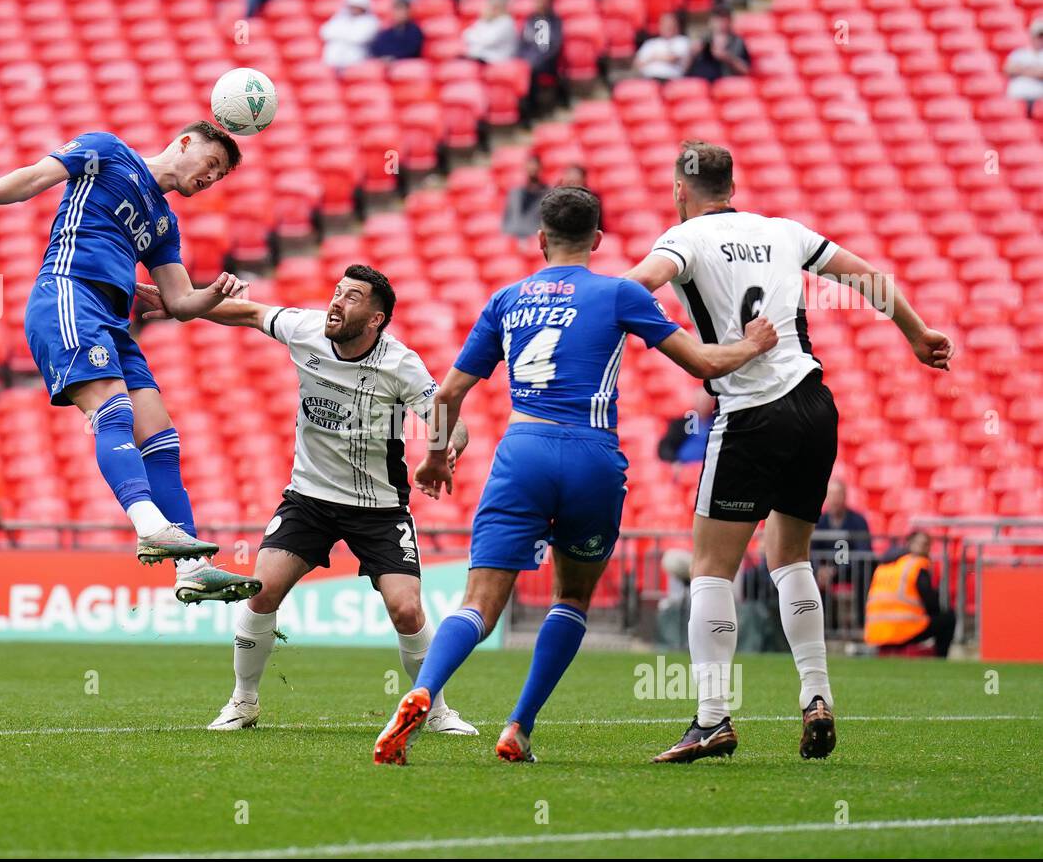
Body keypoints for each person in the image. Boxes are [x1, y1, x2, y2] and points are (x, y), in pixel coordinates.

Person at [372, 186, 778, 766]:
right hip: (592, 455)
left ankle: (421, 692)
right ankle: (519, 726)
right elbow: (705, 364)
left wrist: (436, 457)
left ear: (540, 241)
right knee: (571, 596)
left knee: (478, 606)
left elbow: (448, 394)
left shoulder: (506, 298)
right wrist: (752, 344)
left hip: (524, 450)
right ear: (598, 241)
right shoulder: (620, 293)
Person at [625, 140, 953, 763]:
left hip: (749, 412)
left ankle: (713, 717)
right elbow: (867, 278)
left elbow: (636, 287)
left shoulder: (684, 238)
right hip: (813, 406)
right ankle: (816, 697)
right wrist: (917, 332)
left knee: (711, 568)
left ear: (679, 190)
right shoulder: (783, 230)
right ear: (732, 184)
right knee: (789, 559)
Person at [139, 266, 478, 735]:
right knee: (262, 592)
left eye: (352, 298)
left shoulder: (400, 363)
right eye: (337, 292)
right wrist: (185, 304)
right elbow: (250, 312)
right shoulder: (306, 329)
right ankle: (243, 702)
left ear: (376, 319)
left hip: (378, 509)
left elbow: (447, 415)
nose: (337, 303)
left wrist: (444, 453)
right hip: (309, 498)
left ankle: (436, 708)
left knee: (406, 609)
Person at [0, 122, 262, 603]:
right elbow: (34, 178)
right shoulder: (106, 151)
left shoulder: (163, 223)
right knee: (114, 411)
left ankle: (193, 568)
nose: (210, 178)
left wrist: (212, 293)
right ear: (184, 142)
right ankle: (150, 525)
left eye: (219, 177)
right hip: (69, 293)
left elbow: (178, 302)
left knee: (160, 433)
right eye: (211, 164)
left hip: (114, 321)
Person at [864, 530, 954, 658]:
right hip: (903, 630)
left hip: (875, 632)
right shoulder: (917, 564)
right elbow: (930, 601)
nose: (926, 548)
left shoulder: (883, 566)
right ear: (910, 544)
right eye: (923, 544)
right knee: (948, 618)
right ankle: (940, 657)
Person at [811, 478, 872, 627]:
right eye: (830, 495)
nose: (834, 500)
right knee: (810, 578)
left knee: (864, 575)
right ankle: (823, 626)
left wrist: (837, 570)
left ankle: (861, 625)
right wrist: (820, 569)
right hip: (825, 572)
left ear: (845, 497)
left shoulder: (858, 521)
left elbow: (863, 552)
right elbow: (811, 550)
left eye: (838, 495)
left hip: (852, 570)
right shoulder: (819, 521)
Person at [518, 0, 565, 118]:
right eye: (536, 0)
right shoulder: (530, 20)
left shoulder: (554, 21)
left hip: (547, 62)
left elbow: (554, 47)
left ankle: (531, 111)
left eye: (541, 0)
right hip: (528, 61)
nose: (538, 4)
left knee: (532, 70)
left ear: (549, 2)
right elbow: (523, 43)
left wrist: (534, 61)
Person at [320, 0, 379, 71]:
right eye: (352, 6)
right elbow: (324, 32)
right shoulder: (340, 18)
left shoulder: (370, 22)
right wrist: (347, 35)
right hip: (332, 61)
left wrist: (339, 34)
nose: (354, 9)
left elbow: (359, 38)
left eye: (357, 6)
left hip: (355, 61)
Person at [657, 388, 714, 464]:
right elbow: (665, 447)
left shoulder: (719, 422)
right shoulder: (681, 424)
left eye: (706, 402)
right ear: (695, 402)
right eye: (700, 402)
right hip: (684, 467)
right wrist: (674, 462)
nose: (703, 405)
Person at [633, 12, 691, 83]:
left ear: (676, 26)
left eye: (670, 24)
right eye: (664, 24)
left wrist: (652, 58)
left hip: (671, 80)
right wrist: (661, 58)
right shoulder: (650, 43)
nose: (667, 27)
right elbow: (638, 63)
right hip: (649, 79)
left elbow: (672, 58)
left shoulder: (681, 41)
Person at [463, 0, 518, 65]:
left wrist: (477, 37)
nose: (490, 8)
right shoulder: (485, 19)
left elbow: (488, 41)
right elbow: (466, 35)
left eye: (495, 6)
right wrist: (483, 22)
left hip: (498, 61)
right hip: (480, 58)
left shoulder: (506, 22)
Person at [501, 155, 548, 238]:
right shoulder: (515, 193)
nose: (532, 169)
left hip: (533, 237)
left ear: (540, 168)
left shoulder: (547, 193)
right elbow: (507, 218)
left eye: (535, 166)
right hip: (513, 236)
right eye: (530, 166)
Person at [1005, 19, 1043, 107]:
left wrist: (1021, 70)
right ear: (1032, 37)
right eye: (1038, 36)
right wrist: (1035, 71)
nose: (1040, 40)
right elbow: (1009, 69)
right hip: (1017, 97)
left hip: (1038, 99)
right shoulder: (1020, 53)